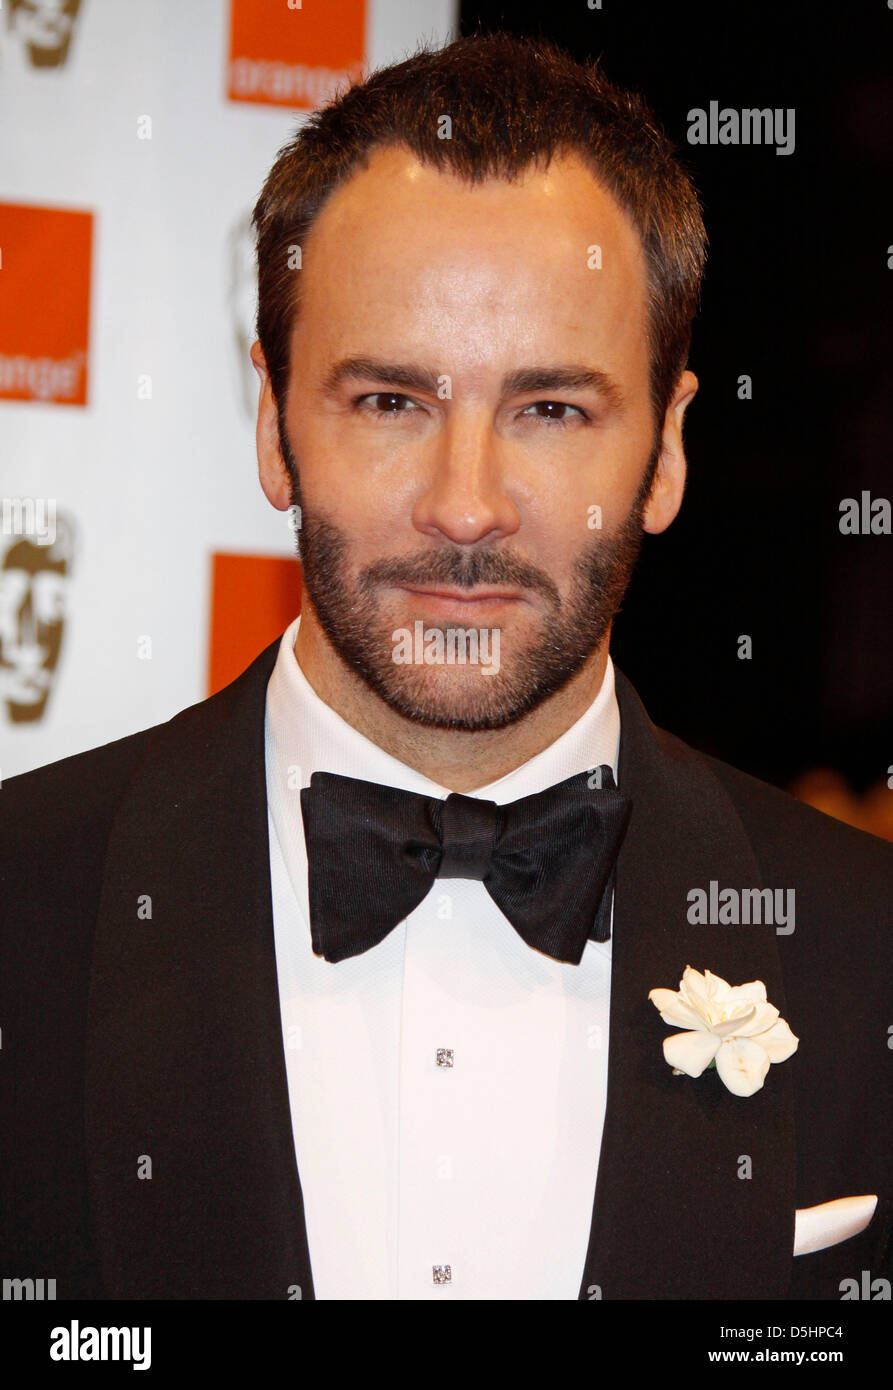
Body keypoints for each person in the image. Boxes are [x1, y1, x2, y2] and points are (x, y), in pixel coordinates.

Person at [1, 32, 890, 1302]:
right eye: (389, 403)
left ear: (667, 449)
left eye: (550, 410)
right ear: (271, 425)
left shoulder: (868, 949)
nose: (464, 507)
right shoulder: (23, 909)